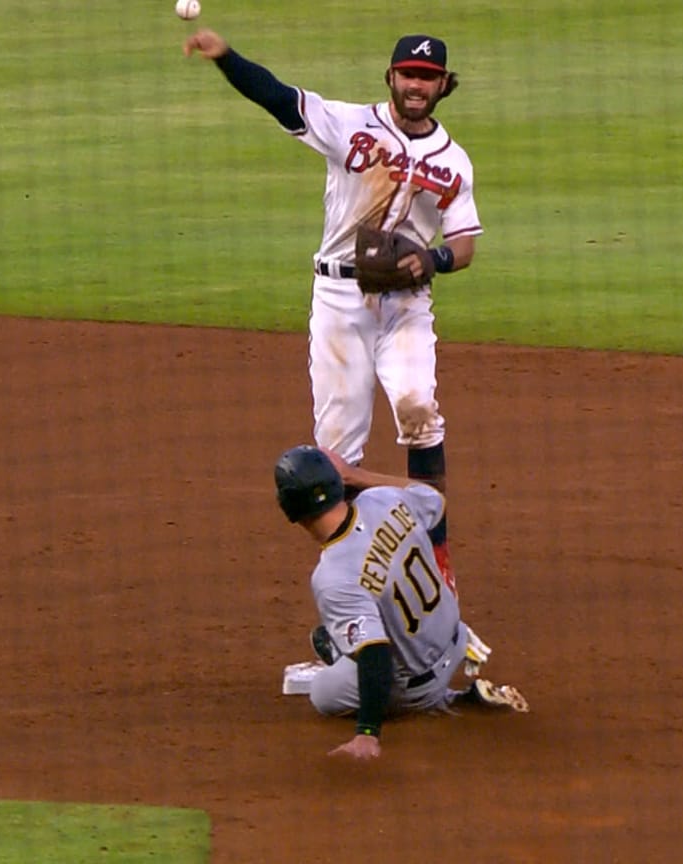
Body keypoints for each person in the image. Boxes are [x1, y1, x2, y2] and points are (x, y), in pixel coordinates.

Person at [186, 29, 481, 590]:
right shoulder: (350, 124)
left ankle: (436, 565)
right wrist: (225, 57)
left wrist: (432, 259)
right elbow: (276, 95)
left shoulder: (454, 161)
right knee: (334, 457)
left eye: (427, 77)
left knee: (419, 407)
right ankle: (354, 581)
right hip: (339, 302)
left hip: (406, 306)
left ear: (444, 84)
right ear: (390, 77)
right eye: (407, 74)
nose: (416, 85)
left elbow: (464, 245)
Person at [273, 444, 525, 761]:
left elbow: (376, 657)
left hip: (416, 686)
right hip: (457, 639)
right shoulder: (383, 498)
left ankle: (445, 699)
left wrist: (367, 734)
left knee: (323, 692)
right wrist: (356, 474)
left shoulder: (333, 576)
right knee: (365, 619)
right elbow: (433, 498)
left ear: (290, 509)